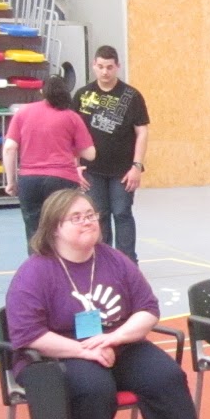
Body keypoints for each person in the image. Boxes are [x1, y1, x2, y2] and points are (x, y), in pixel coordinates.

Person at [4, 187, 210, 419]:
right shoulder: (35, 272)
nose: (87, 223)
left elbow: (147, 310)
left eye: (91, 215)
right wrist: (84, 350)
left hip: (114, 344)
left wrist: (114, 337)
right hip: (57, 354)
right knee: (92, 387)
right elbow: (28, 335)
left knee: (165, 374)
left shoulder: (113, 259)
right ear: (53, 228)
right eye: (76, 218)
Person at [74, 44, 149, 261]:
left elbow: (142, 132)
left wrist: (137, 166)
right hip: (92, 170)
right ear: (93, 66)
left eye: (109, 67)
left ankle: (127, 262)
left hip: (123, 171)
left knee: (122, 213)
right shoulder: (82, 95)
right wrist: (75, 166)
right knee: (99, 216)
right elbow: (72, 133)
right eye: (100, 67)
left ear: (117, 67)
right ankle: (103, 260)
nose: (105, 72)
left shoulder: (131, 96)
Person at [3, 75, 95, 242]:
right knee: (62, 228)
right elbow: (90, 154)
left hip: (29, 179)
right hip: (62, 178)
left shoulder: (23, 113)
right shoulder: (72, 117)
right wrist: (71, 147)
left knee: (33, 230)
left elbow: (9, 148)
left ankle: (38, 265)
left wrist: (11, 181)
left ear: (41, 91)